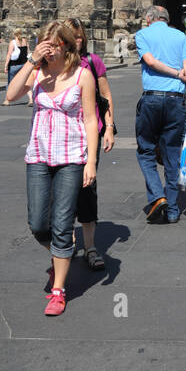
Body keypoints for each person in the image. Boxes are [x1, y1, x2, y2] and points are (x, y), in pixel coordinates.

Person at [6, 19, 99, 316]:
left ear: (67, 45)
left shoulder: (83, 76)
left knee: (61, 225)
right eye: (43, 43)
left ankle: (58, 289)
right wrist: (32, 61)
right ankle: (63, 252)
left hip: (72, 157)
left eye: (53, 45)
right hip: (39, 156)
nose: (48, 50)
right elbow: (10, 96)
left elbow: (88, 121)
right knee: (37, 224)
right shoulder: (38, 73)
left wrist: (91, 162)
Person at [134, 4, 186, 224]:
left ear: (150, 18)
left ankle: (157, 195)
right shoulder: (180, 36)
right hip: (175, 101)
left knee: (145, 150)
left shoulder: (142, 34)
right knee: (172, 154)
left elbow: (150, 61)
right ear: (167, 19)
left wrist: (173, 73)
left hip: (151, 99)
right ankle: (172, 209)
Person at [68, 18, 115, 269]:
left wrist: (109, 127)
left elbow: (106, 96)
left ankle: (90, 247)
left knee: (87, 189)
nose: (77, 40)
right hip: (61, 137)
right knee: (62, 193)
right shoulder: (52, 64)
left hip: (90, 135)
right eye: (71, 36)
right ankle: (66, 239)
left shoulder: (93, 62)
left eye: (79, 36)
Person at [2, 29, 29, 104]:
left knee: (10, 83)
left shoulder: (13, 42)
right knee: (26, 82)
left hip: (14, 64)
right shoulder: (25, 41)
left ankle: (7, 100)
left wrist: (6, 65)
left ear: (14, 34)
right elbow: (27, 53)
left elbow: (9, 54)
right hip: (24, 64)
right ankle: (31, 99)